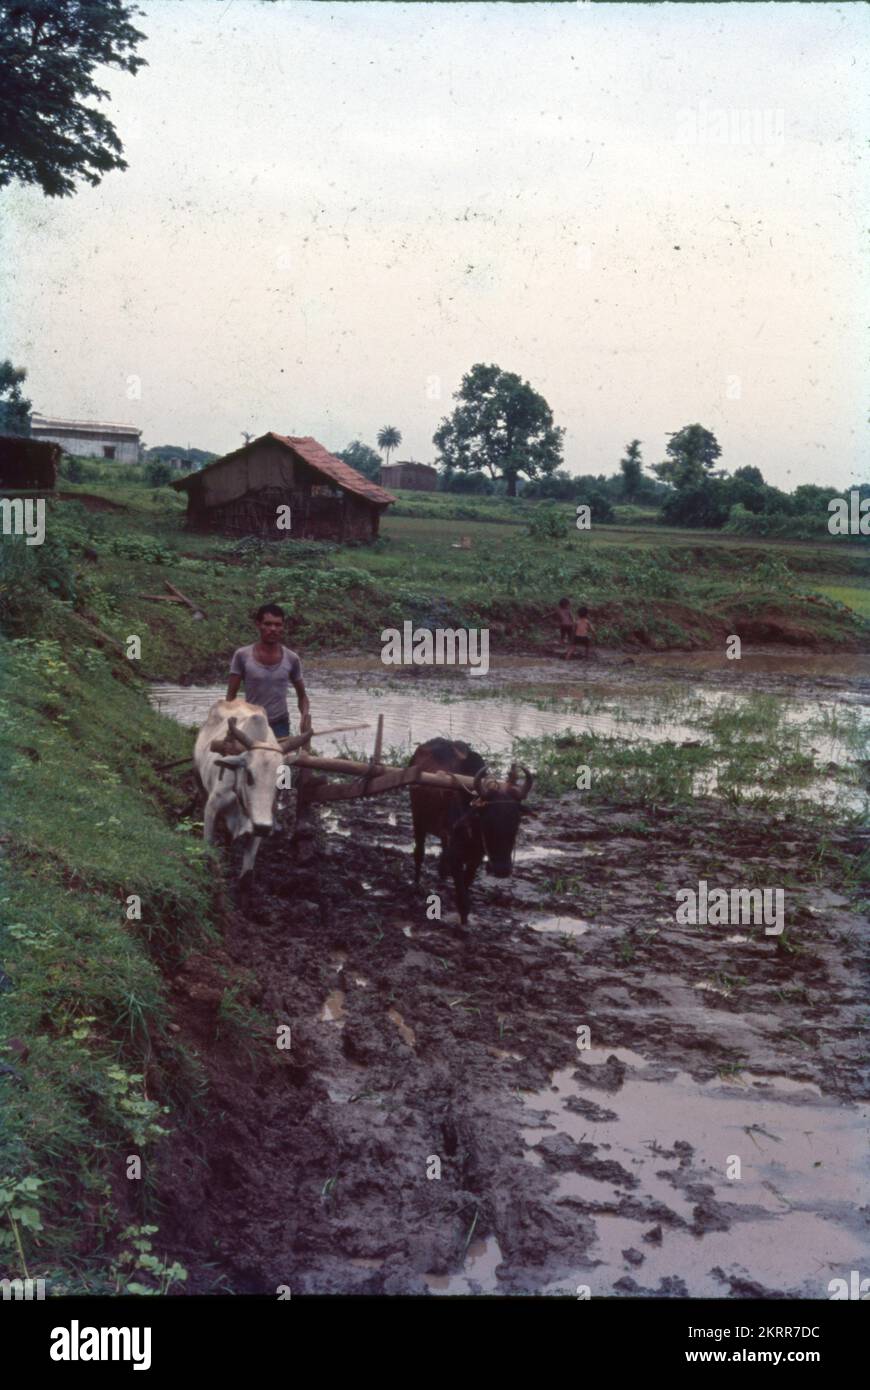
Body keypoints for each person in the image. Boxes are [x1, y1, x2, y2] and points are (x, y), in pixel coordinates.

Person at [226, 603, 310, 739]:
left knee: (280, 760)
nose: (273, 629)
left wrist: (304, 717)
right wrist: (230, 726)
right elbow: (231, 697)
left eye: (278, 625)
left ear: (283, 627)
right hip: (251, 722)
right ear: (258, 624)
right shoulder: (242, 655)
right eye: (268, 624)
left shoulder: (291, 658)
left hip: (280, 725)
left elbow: (302, 696)